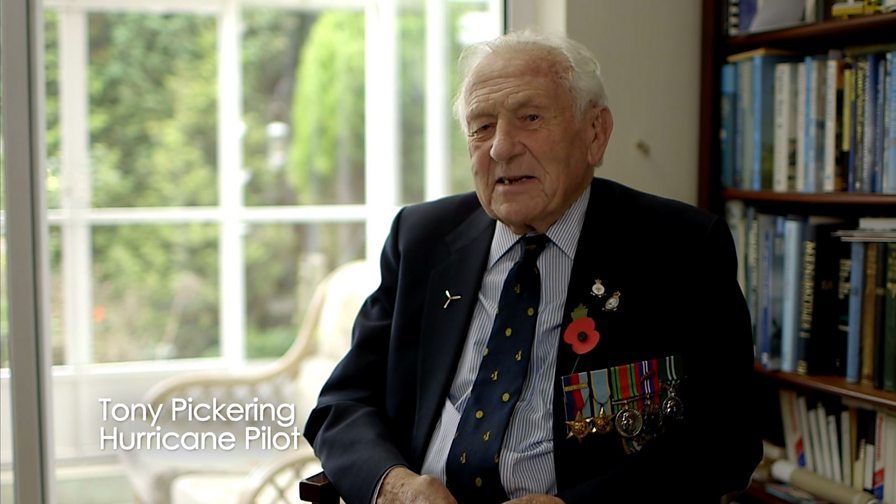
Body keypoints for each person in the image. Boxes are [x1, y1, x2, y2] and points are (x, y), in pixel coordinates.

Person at [303, 31, 762, 504]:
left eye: (530, 118)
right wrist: (393, 486)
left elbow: (728, 439)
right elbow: (343, 403)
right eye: (481, 127)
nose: (501, 147)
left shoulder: (678, 247)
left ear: (595, 134)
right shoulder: (421, 239)